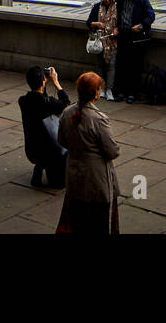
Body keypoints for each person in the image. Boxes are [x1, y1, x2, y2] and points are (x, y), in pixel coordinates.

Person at [56, 72, 120, 234]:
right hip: (96, 180)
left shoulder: (67, 113)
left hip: (74, 177)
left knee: (77, 222)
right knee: (98, 225)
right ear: (96, 93)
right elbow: (112, 151)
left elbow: (62, 141)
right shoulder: (98, 119)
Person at [18, 66, 70, 188]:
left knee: (41, 135)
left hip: (32, 149)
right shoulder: (49, 103)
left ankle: (39, 170)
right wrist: (56, 82)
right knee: (60, 184)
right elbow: (66, 104)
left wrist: (42, 83)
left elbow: (40, 99)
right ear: (42, 82)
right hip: (51, 151)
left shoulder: (23, 101)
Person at [113, 0, 153, 103]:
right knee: (122, 66)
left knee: (134, 67)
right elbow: (117, 14)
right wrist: (116, 27)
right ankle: (121, 92)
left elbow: (151, 16)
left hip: (136, 38)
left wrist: (141, 26)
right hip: (123, 35)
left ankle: (132, 93)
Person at [86, 0, 119, 101]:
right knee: (99, 66)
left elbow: (121, 23)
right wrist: (97, 24)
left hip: (112, 41)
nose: (107, 1)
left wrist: (117, 29)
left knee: (111, 66)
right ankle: (101, 88)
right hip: (99, 41)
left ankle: (109, 89)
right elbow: (89, 22)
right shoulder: (96, 7)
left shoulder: (117, 7)